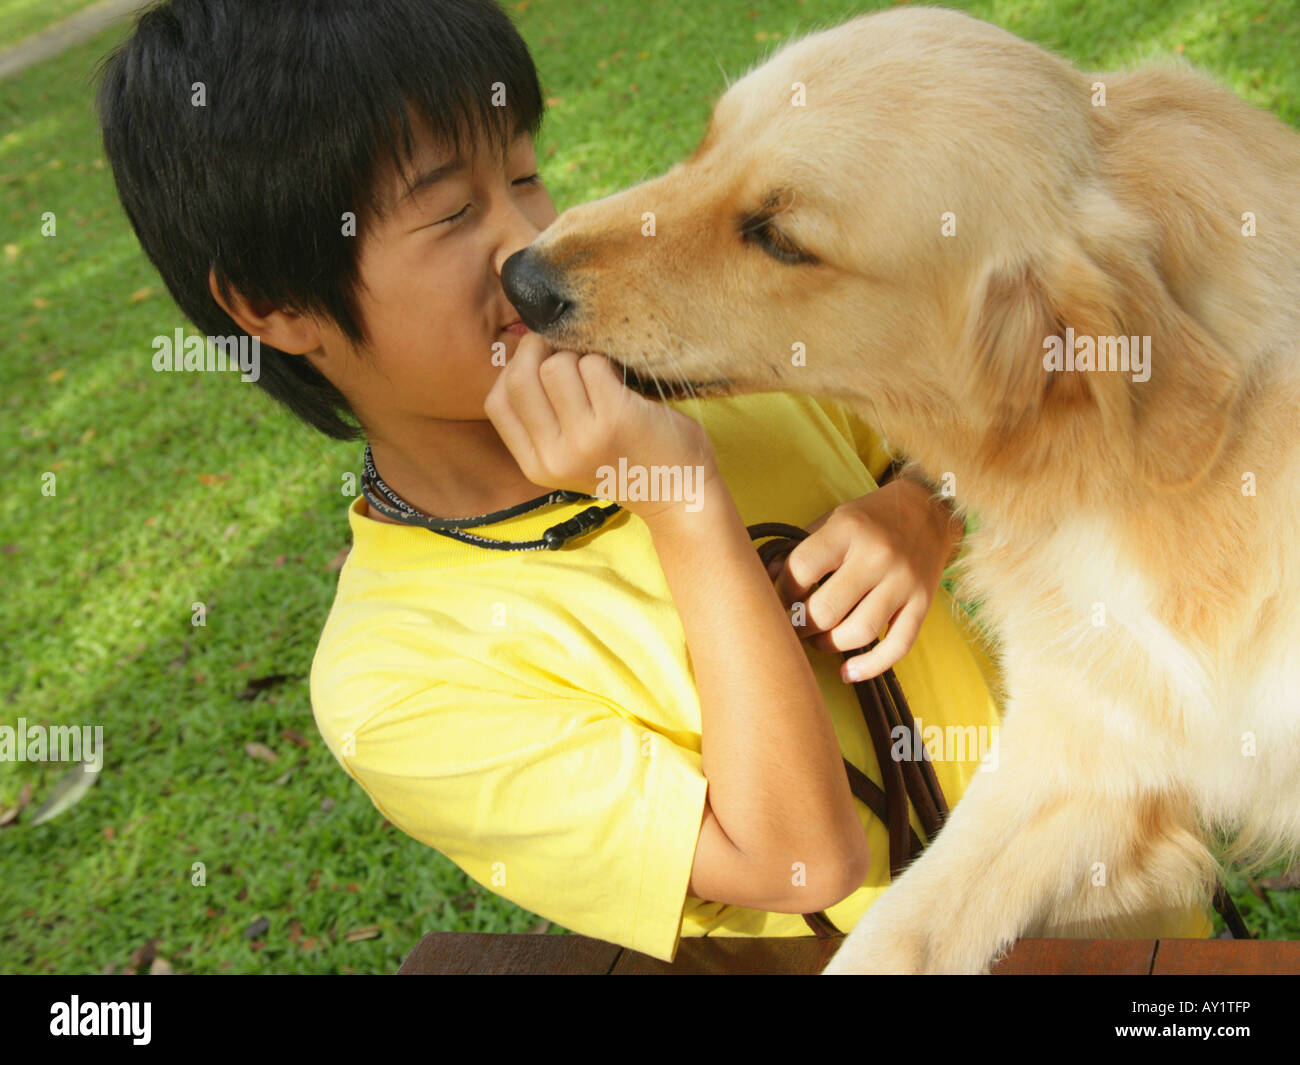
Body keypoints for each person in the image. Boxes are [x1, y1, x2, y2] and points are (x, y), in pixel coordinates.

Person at [96, 0, 1212, 963]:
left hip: (1142, 901)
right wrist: (683, 511)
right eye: (449, 214)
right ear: (270, 305)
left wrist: (916, 510)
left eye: (525, 174)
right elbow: (791, 857)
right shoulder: (398, 676)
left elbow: (1000, 428)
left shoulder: (726, 351)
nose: (533, 241)